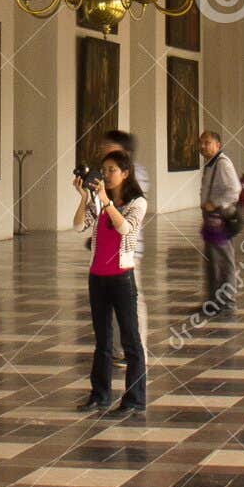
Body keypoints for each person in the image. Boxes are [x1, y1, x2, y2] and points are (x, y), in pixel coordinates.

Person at [73, 149, 148, 418]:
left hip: (121, 277)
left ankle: (135, 399)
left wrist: (106, 202)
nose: (105, 175)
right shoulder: (98, 201)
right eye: (103, 170)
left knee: (130, 340)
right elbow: (79, 226)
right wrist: (86, 199)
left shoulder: (137, 203)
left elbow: (126, 228)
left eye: (112, 170)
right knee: (102, 339)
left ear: (125, 173)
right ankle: (100, 395)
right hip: (97, 277)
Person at [97, 129, 149, 368]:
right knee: (114, 304)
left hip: (127, 251)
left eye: (111, 148)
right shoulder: (109, 176)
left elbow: (128, 219)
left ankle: (136, 350)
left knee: (131, 304)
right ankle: (119, 350)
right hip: (107, 253)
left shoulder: (134, 175)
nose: (105, 152)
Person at [198, 129, 242, 317]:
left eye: (207, 142)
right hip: (211, 218)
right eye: (201, 142)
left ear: (218, 145)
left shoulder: (222, 163)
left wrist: (215, 204)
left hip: (219, 218)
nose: (202, 146)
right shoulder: (211, 164)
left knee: (223, 260)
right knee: (212, 260)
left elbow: (234, 189)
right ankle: (213, 301)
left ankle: (227, 302)